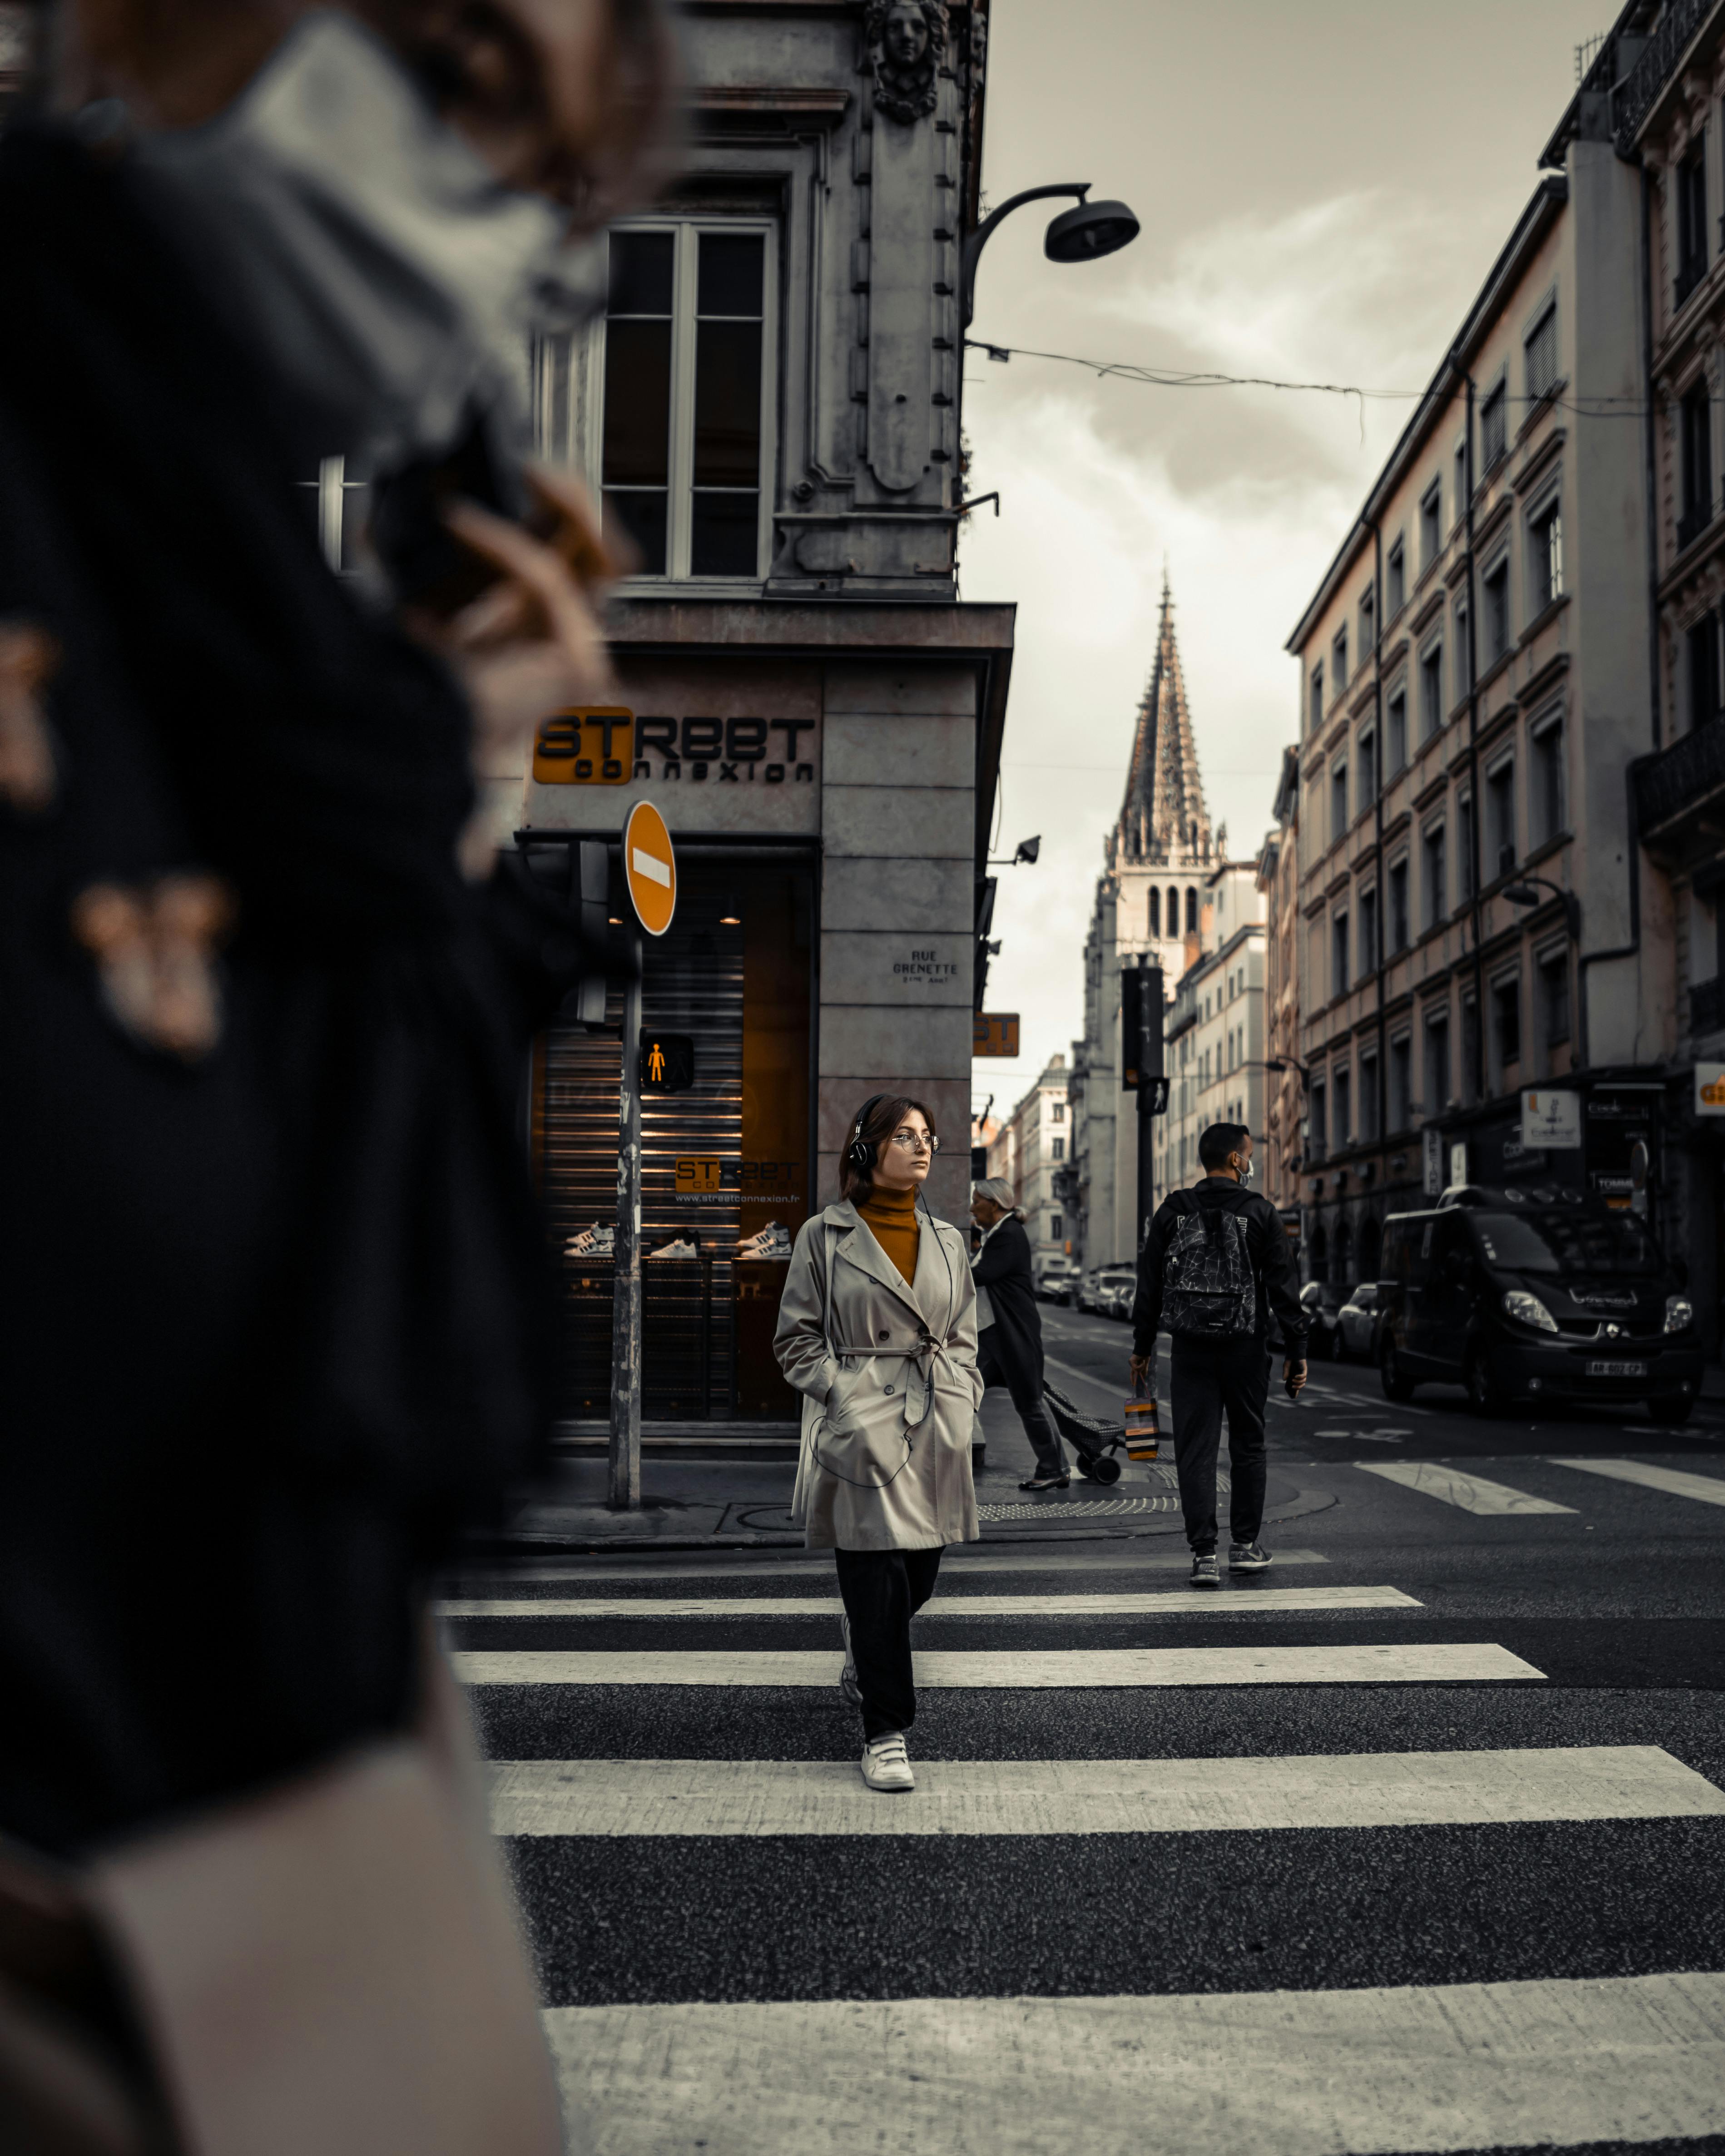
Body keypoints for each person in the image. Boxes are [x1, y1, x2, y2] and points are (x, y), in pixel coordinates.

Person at [0, 1, 672, 2144]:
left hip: (210, 1854)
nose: (508, 239)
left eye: (562, 196)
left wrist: (439, 763)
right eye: (472, 80)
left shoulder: (234, 605)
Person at [773, 1096, 982, 1793]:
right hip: (864, 1422)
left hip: (934, 1421)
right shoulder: (823, 1235)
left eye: (929, 1135)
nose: (922, 1148)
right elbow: (795, 1339)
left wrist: (962, 1395)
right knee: (876, 1578)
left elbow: (962, 1336)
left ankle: (865, 1650)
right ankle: (885, 1733)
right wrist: (846, 1396)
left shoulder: (951, 1240)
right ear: (866, 1149)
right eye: (904, 1136)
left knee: (919, 1576)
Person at [1130, 1122, 1307, 1588]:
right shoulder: (1260, 1212)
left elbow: (1149, 1285)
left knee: (1196, 1449)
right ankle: (1245, 1546)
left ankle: (1204, 1555)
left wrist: (1142, 1346)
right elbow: (1283, 1288)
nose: (1250, 1162)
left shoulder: (1172, 1210)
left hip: (1189, 1348)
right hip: (1246, 1346)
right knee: (1248, 1443)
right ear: (1235, 1160)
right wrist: (1297, 1349)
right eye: (1248, 1155)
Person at [970, 1177, 1067, 1491]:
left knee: (1028, 1401)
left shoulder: (1009, 1235)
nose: (972, 1208)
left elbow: (980, 1274)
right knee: (966, 1392)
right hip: (999, 1332)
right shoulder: (1002, 1234)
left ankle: (1054, 1467)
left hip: (1011, 1332)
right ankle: (1057, 1466)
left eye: (977, 1201)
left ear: (994, 1204)